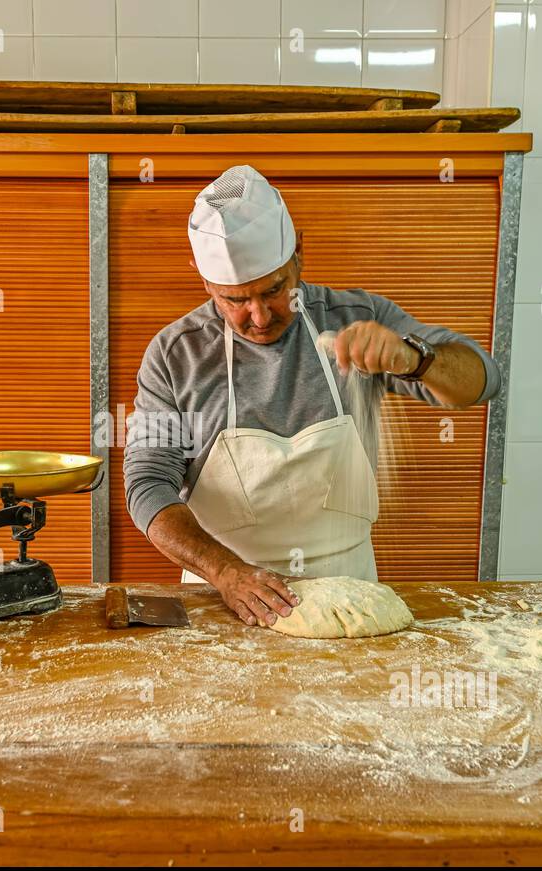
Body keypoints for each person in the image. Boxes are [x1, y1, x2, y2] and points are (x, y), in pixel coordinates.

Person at [123, 165, 501, 626]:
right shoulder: (174, 355)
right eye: (234, 300)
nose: (259, 317)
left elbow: (483, 382)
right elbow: (147, 487)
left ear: (299, 251)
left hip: (348, 591)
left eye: (274, 290)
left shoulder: (356, 317)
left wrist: (414, 358)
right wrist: (225, 571)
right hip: (221, 597)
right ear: (203, 282)